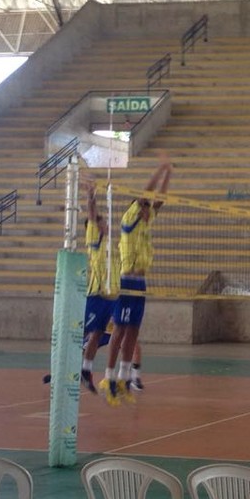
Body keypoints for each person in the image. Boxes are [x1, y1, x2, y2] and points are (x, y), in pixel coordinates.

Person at [99, 154, 173, 406]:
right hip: (126, 282)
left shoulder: (145, 221)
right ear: (136, 206)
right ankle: (108, 377)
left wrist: (169, 175)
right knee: (119, 330)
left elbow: (159, 201)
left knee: (133, 331)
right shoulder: (129, 219)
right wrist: (160, 167)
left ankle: (124, 378)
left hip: (140, 284)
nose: (148, 208)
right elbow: (147, 193)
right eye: (144, 205)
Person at [79, 174, 120, 394]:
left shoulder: (110, 246)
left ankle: (86, 370)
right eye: (102, 221)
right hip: (96, 295)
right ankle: (64, 366)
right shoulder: (94, 240)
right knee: (84, 332)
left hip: (112, 296)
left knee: (99, 334)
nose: (105, 223)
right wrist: (91, 195)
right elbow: (92, 215)